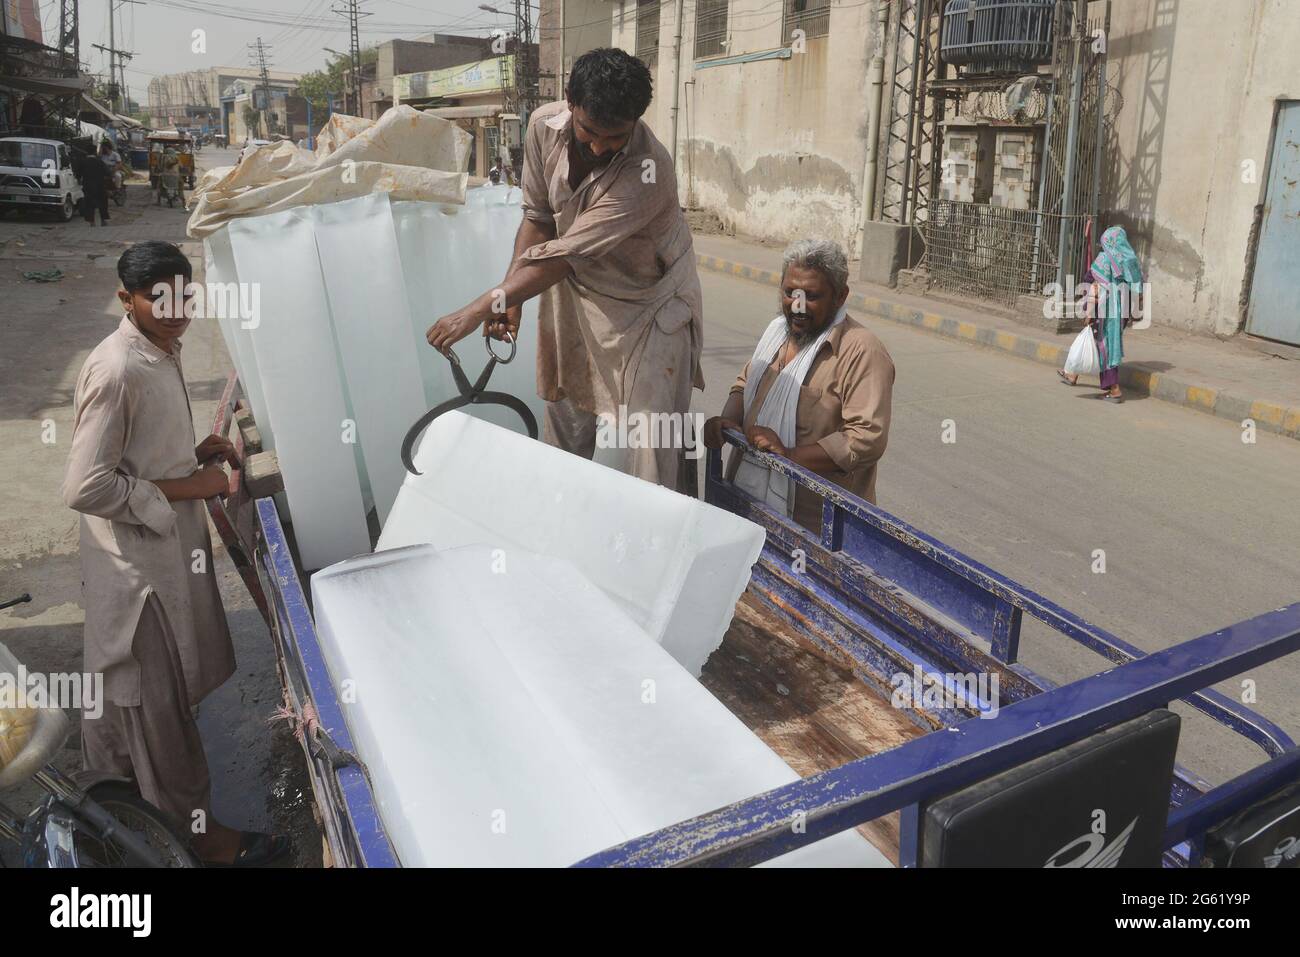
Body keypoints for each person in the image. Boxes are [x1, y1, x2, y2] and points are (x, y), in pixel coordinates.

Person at [63, 241, 290, 867]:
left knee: (127, 714)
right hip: (140, 582)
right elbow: (85, 485)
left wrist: (194, 451)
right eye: (155, 298)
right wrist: (196, 484)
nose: (172, 309)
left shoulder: (158, 350)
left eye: (181, 296)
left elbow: (137, 457)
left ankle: (109, 822)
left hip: (154, 562)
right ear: (124, 298)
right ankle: (204, 842)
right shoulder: (117, 369)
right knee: (155, 715)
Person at [426, 48, 704, 492]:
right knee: (568, 426)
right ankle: (560, 530)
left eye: (614, 138)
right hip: (578, 297)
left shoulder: (650, 171)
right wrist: (508, 301)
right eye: (589, 131)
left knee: (649, 451)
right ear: (571, 101)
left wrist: (478, 309)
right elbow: (538, 218)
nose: (598, 147)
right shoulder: (542, 126)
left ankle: (651, 550)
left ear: (635, 122)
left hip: (649, 310)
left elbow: (565, 254)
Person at [703, 240, 895, 531]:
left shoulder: (861, 351)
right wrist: (728, 421)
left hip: (818, 530)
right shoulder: (776, 334)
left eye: (812, 296)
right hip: (748, 505)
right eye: (790, 292)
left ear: (840, 296)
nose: (798, 306)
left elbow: (866, 439)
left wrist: (791, 456)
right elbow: (744, 385)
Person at [1057, 225, 1144, 402]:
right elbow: (1138, 287)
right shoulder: (1130, 259)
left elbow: (1090, 280)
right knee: (1102, 343)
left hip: (1104, 309)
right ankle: (1071, 373)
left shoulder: (1105, 258)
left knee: (1105, 346)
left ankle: (1114, 389)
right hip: (1123, 310)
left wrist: (1088, 309)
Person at [78, 146, 109, 225]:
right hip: (100, 185)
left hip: (88, 186)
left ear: (87, 153)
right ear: (95, 152)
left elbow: (78, 175)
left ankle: (92, 222)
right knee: (102, 203)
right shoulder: (100, 162)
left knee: (89, 204)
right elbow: (107, 173)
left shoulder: (83, 162)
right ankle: (103, 220)